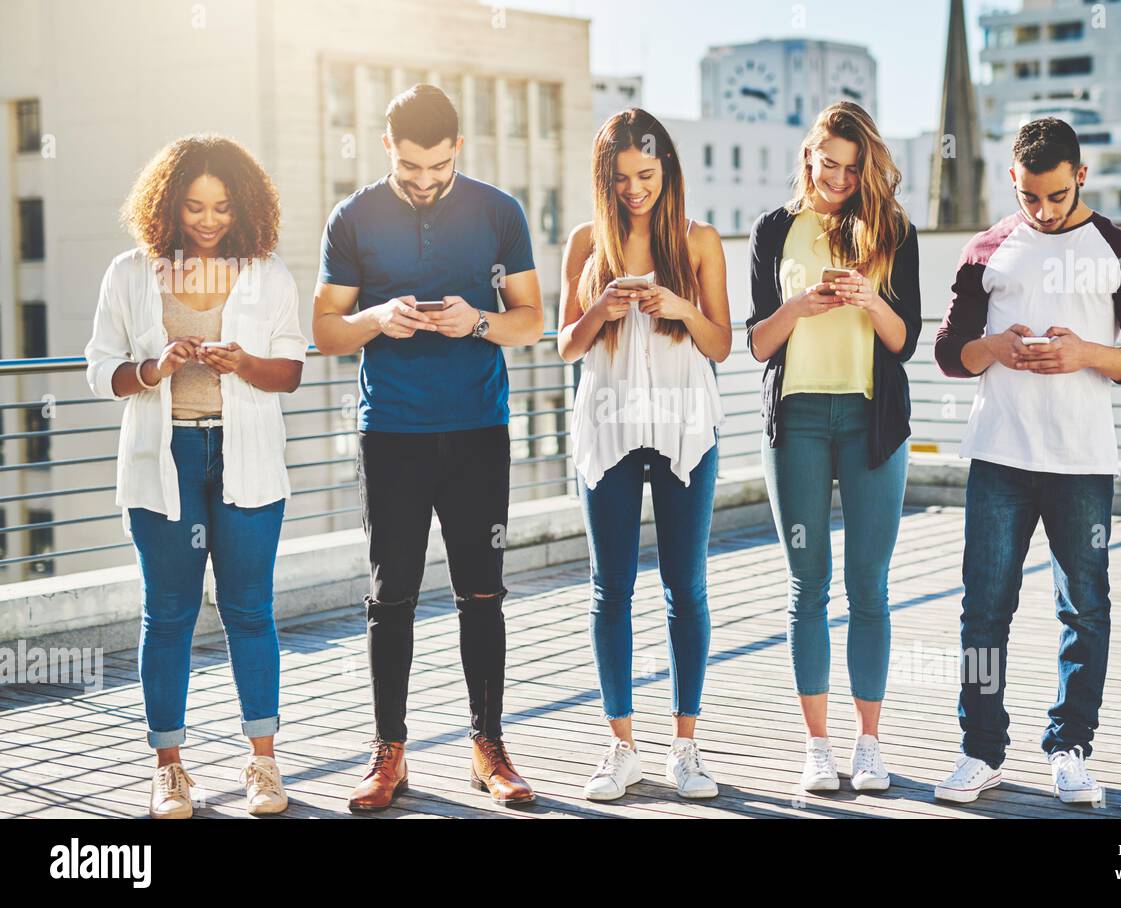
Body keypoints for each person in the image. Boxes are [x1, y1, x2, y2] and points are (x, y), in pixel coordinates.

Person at [312, 84, 544, 810]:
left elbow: (532, 320)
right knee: (391, 599)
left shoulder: (499, 212)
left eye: (438, 166)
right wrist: (376, 317)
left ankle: (488, 748)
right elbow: (325, 331)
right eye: (410, 166)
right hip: (391, 434)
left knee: (483, 594)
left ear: (457, 150)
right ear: (388, 146)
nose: (424, 179)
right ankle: (390, 754)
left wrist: (478, 321)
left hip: (478, 431)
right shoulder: (352, 218)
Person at [932, 117, 1121, 804]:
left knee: (1084, 609)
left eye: (1057, 196)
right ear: (1013, 179)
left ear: (1081, 177)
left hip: (1082, 460)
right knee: (983, 611)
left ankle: (1070, 749)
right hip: (998, 456)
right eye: (1029, 196)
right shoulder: (985, 249)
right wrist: (993, 349)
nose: (1042, 210)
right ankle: (980, 752)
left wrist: (1086, 353)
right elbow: (950, 352)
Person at [85, 134, 308, 818]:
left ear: (244, 207)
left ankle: (263, 764)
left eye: (222, 207)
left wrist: (243, 363)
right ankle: (170, 771)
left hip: (245, 455)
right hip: (165, 460)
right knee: (169, 614)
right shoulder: (130, 273)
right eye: (194, 207)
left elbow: (290, 372)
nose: (208, 221)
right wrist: (155, 368)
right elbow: (101, 370)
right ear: (167, 205)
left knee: (249, 609)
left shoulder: (267, 274)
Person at [746, 101, 921, 793]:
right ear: (809, 157)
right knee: (807, 585)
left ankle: (869, 743)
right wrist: (798, 308)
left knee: (868, 586)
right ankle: (817, 746)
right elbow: (758, 343)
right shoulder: (774, 230)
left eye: (852, 168)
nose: (841, 179)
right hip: (797, 420)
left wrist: (870, 299)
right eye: (829, 165)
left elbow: (904, 340)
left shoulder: (894, 230)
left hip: (871, 420)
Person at [558, 109, 731, 801]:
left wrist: (679, 307)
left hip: (685, 426)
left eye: (646, 175)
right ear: (604, 180)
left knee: (685, 587)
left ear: (668, 171)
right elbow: (565, 345)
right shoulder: (584, 242)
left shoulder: (699, 240)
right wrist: (599, 309)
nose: (634, 189)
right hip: (608, 429)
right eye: (621, 178)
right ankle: (621, 747)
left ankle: (685, 747)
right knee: (611, 589)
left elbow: (721, 344)